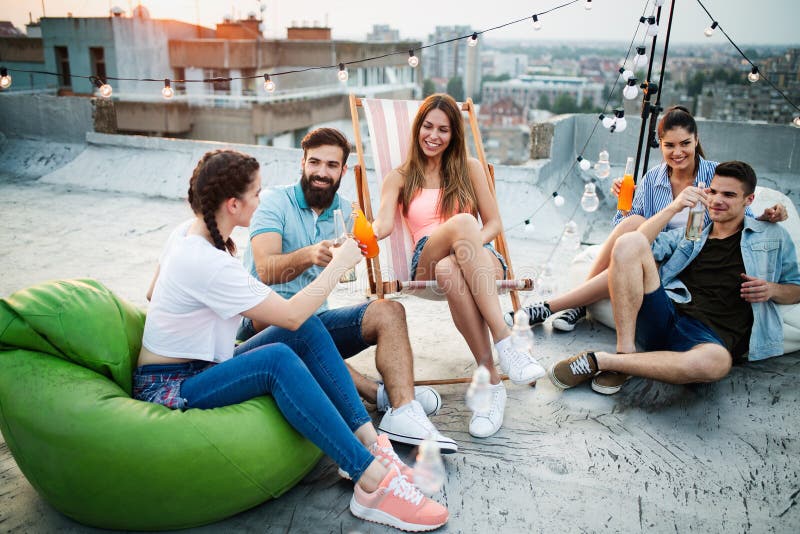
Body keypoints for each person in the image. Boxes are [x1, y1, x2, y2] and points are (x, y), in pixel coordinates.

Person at [133, 149, 449, 531]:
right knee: (278, 358)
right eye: (255, 193)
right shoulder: (206, 261)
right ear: (233, 204)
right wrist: (338, 265)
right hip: (173, 386)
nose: (260, 199)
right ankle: (371, 483)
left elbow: (153, 293)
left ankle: (371, 445)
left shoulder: (187, 234)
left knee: (308, 329)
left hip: (200, 366)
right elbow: (290, 312)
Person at [239, 128, 456, 453]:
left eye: (331, 165)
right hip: (263, 322)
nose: (321, 172)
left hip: (316, 320)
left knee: (389, 311)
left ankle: (403, 410)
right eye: (315, 162)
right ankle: (377, 394)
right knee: (292, 324)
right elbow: (266, 269)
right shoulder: (274, 202)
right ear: (302, 162)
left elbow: (370, 244)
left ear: (343, 170)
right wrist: (311, 254)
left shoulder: (344, 210)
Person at [508, 105, 787, 336]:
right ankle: (578, 304)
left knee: (639, 253)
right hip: (655, 248)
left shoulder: (715, 175)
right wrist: (623, 197)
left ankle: (553, 306)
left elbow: (738, 216)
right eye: (670, 145)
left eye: (685, 144)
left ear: (696, 140)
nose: (678, 152)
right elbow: (625, 226)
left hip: (692, 256)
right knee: (632, 225)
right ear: (660, 144)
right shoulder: (653, 178)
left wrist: (767, 216)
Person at [370, 93, 546, 439]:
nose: (433, 136)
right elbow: (383, 225)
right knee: (463, 226)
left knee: (455, 264)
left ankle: (491, 383)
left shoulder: (470, 168)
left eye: (444, 130)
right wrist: (362, 230)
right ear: (418, 128)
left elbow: (493, 223)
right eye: (428, 126)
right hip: (428, 259)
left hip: (477, 259)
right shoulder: (400, 176)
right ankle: (506, 343)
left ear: (454, 135)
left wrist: (469, 250)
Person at [548, 161, 800, 395]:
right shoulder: (693, 232)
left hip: (709, 339)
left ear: (749, 199)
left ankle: (604, 361)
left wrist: (772, 290)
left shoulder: (771, 235)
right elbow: (639, 244)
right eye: (713, 192)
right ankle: (624, 352)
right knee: (629, 240)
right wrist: (674, 206)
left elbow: (796, 289)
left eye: (729, 195)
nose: (717, 200)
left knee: (718, 363)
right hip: (666, 314)